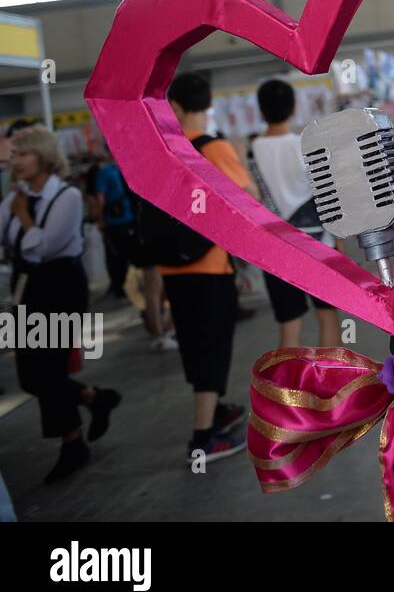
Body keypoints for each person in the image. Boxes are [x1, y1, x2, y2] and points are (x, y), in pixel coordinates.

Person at [0, 127, 121, 483]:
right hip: (25, 288)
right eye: (14, 154)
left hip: (60, 287)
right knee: (30, 375)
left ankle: (73, 444)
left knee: (48, 370)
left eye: (23, 153)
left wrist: (23, 217)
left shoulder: (66, 196)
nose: (16, 161)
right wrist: (17, 214)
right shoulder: (15, 198)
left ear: (43, 155)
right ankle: (94, 398)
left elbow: (47, 247)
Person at [157, 73, 251, 462]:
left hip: (172, 267)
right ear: (207, 104)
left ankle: (214, 411)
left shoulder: (165, 149)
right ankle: (203, 438)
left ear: (176, 107)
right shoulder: (212, 148)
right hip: (209, 267)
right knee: (213, 347)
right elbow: (246, 199)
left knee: (195, 346)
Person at [248, 79, 342, 349]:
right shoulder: (306, 145)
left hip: (274, 246)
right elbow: (328, 196)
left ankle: (289, 388)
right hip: (318, 243)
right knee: (327, 315)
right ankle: (330, 382)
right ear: (293, 108)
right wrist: (339, 242)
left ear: (261, 110)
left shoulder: (251, 151)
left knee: (289, 322)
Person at [86, 149, 138, 299]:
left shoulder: (103, 173)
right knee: (129, 254)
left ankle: (120, 287)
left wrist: (99, 218)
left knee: (116, 255)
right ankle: (128, 286)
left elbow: (99, 199)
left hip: (114, 220)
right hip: (129, 217)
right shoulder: (123, 168)